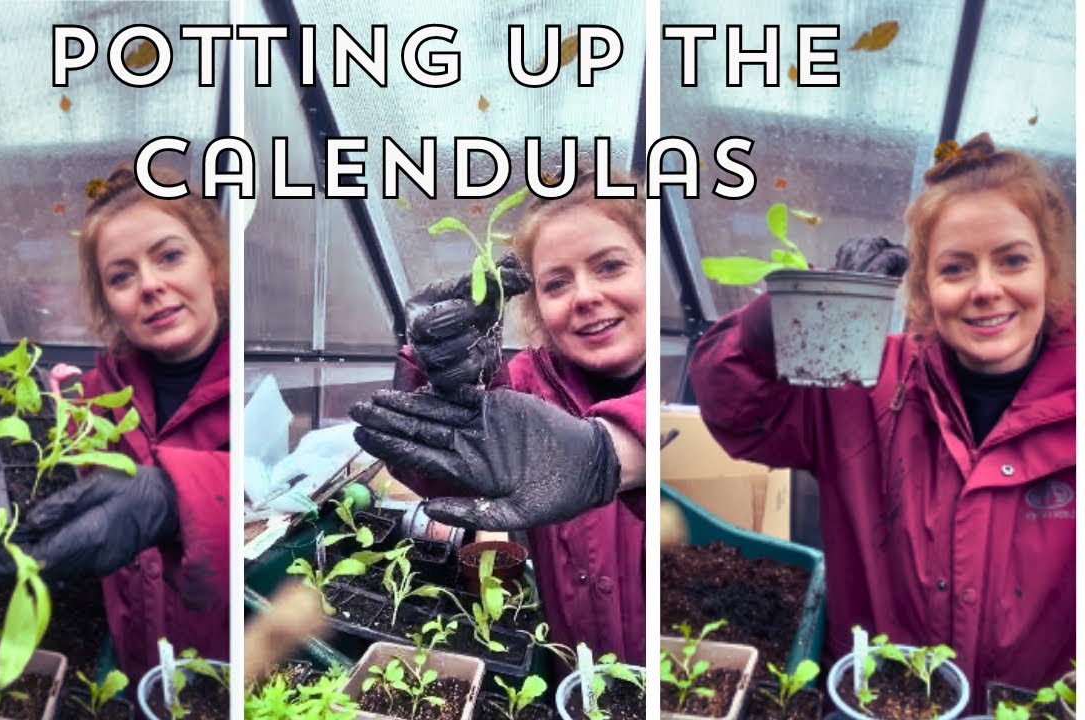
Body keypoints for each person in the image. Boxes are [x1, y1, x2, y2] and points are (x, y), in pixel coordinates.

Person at [688, 133, 1074, 707]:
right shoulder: (865, 379)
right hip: (869, 699)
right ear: (924, 286)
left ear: (1050, 268)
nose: (986, 289)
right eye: (955, 268)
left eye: (1013, 260)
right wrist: (789, 312)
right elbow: (735, 410)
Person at [349, 171, 646, 667]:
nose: (585, 296)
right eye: (556, 283)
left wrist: (613, 453)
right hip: (573, 664)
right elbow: (447, 471)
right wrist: (435, 373)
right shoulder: (523, 383)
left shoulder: (683, 385)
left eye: (610, 266)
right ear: (536, 304)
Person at [0, 163, 230, 683]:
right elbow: (58, 494)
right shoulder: (94, 396)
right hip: (131, 658)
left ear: (213, 264)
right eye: (121, 276)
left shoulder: (251, 381)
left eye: (169, 256)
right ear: (107, 300)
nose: (149, 285)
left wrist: (176, 499)